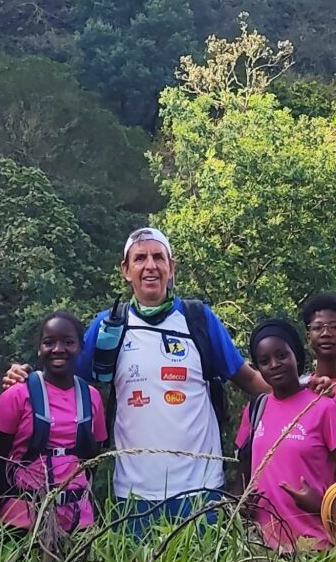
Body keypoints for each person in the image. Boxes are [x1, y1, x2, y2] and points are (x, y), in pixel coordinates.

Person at [79, 227, 267, 537]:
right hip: (134, 495)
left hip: (201, 490)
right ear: (126, 270)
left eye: (158, 257)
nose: (150, 265)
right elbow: (65, 383)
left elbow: (247, 379)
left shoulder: (199, 319)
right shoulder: (109, 325)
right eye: (139, 258)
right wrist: (24, 379)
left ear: (171, 267)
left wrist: (305, 394)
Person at [235, 317, 336, 550]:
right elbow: (242, 473)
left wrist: (322, 504)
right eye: (264, 360)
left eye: (282, 355)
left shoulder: (323, 407)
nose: (274, 364)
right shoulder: (255, 410)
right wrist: (241, 505)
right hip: (263, 548)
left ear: (296, 355)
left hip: (316, 546)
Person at [0, 311, 109, 540]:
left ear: (81, 348)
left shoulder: (91, 397)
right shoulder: (17, 395)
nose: (58, 349)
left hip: (78, 518)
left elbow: (94, 456)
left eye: (68, 342)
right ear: (39, 349)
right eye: (48, 342)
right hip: (22, 518)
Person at [299, 291, 336, 413]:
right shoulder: (301, 386)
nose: (326, 334)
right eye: (317, 328)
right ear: (308, 337)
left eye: (334, 327)